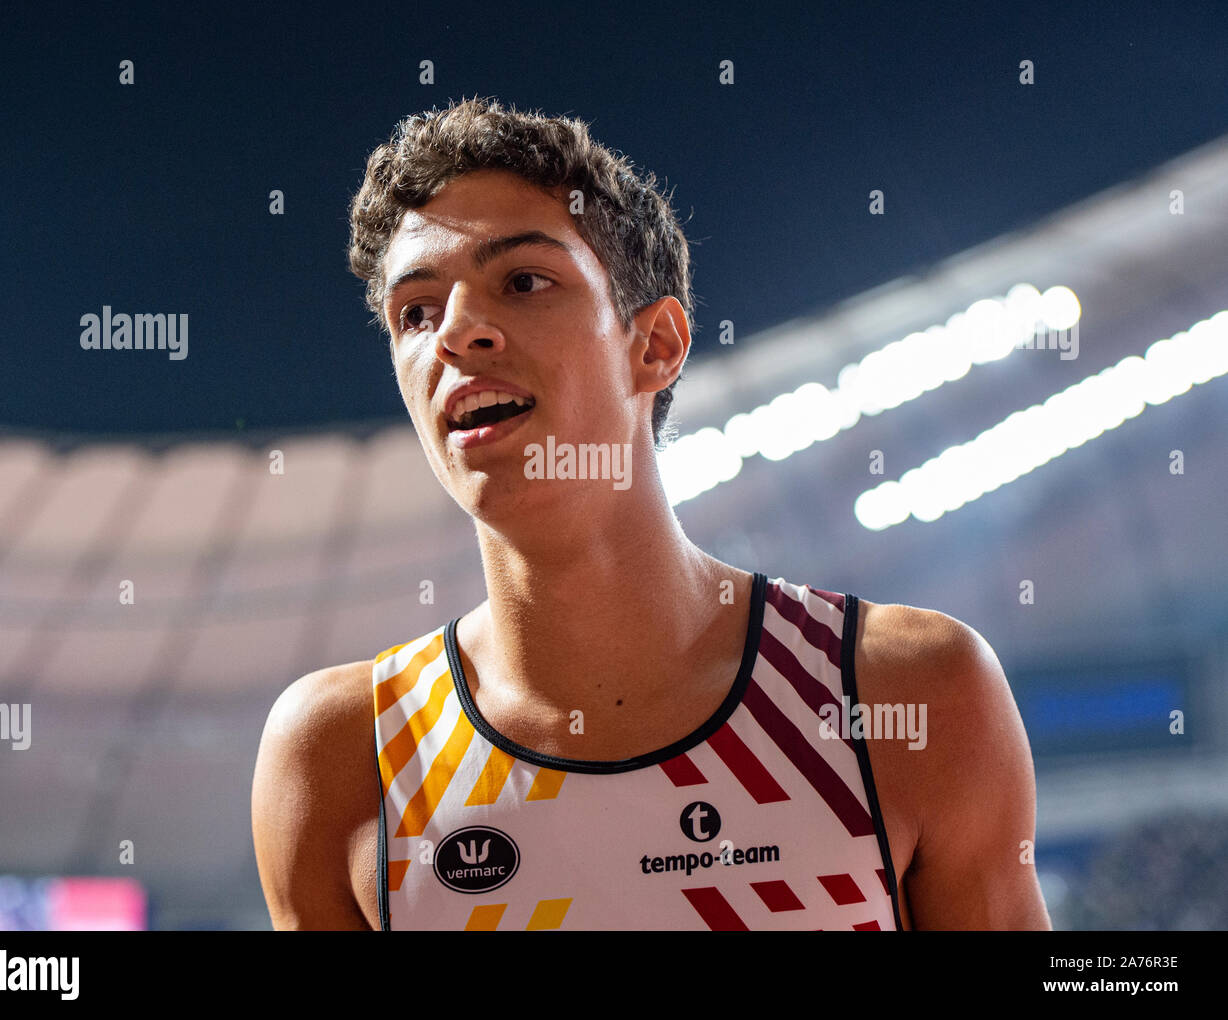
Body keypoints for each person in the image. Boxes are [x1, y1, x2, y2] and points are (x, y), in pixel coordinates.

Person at [251, 96, 1052, 931]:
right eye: (415, 311)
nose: (455, 333)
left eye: (523, 281)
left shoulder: (907, 693)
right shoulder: (342, 755)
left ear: (657, 346)